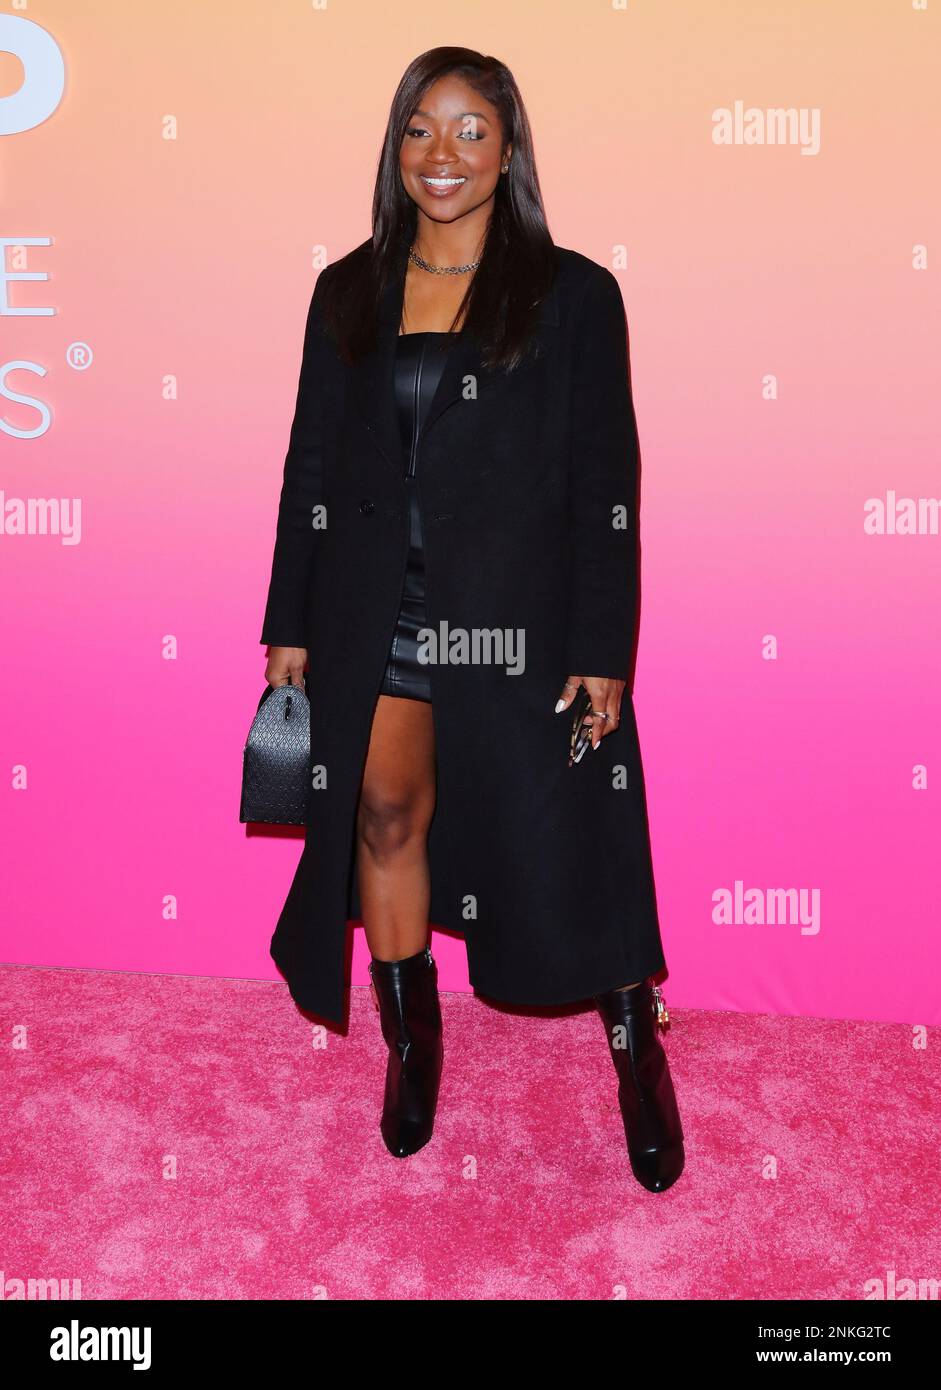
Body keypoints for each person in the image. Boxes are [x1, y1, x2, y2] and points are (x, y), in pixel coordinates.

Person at [260, 46, 685, 1192]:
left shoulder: (573, 292)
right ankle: (413, 1043)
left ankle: (634, 1045)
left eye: (468, 132)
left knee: (565, 838)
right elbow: (309, 456)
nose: (439, 155)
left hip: (519, 622)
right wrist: (287, 616)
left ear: (508, 150)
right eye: (417, 130)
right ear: (394, 146)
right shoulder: (346, 287)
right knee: (383, 814)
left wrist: (603, 649)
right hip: (375, 609)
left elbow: (607, 479)